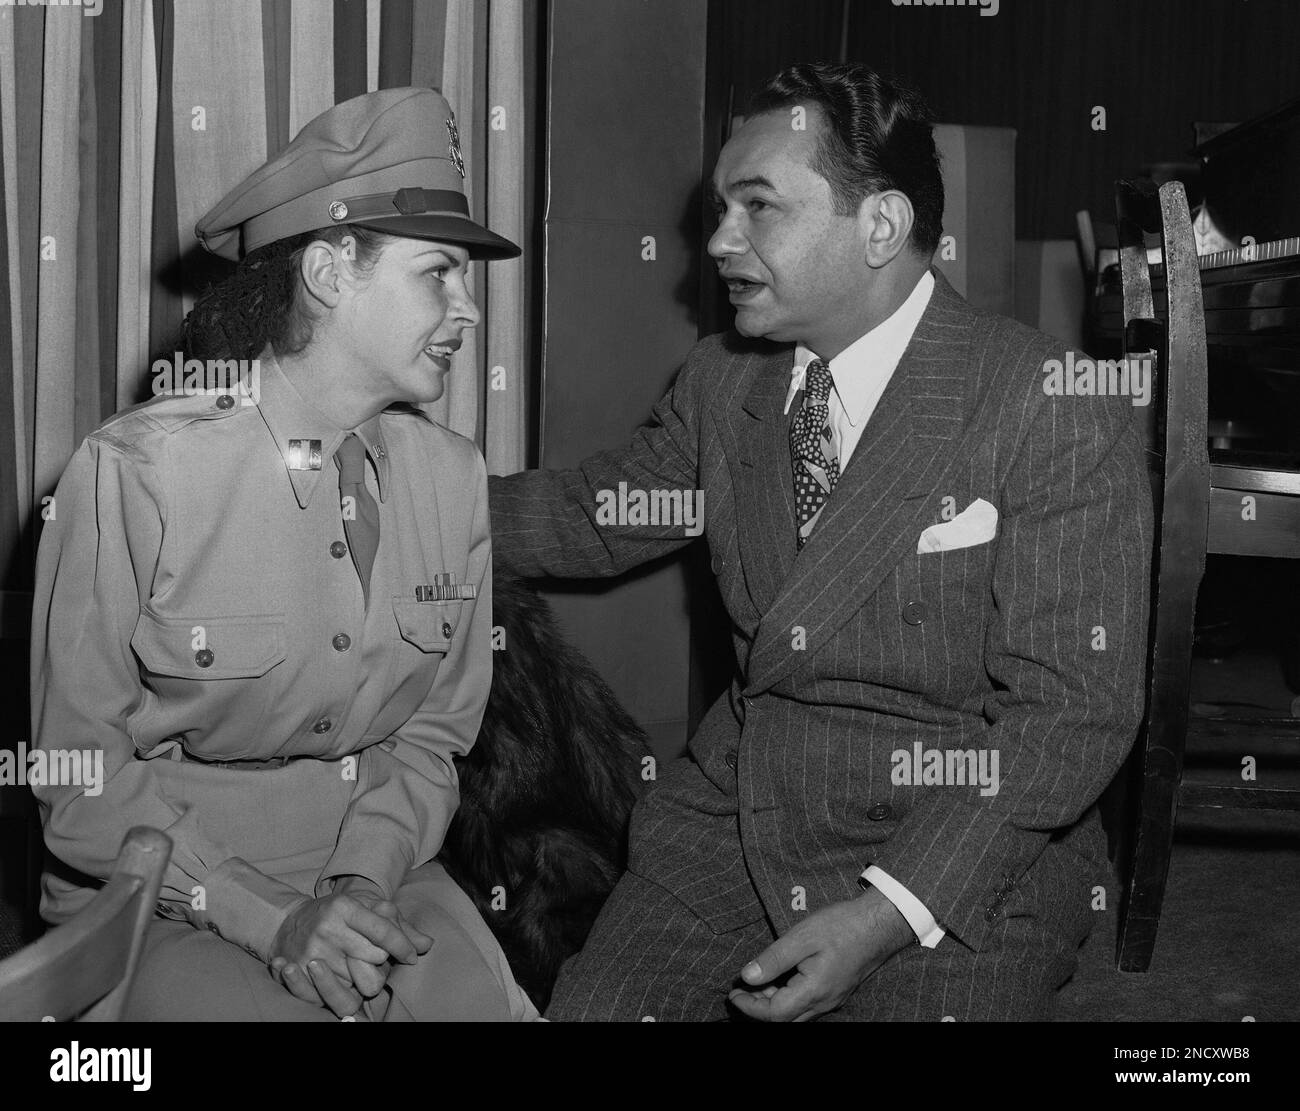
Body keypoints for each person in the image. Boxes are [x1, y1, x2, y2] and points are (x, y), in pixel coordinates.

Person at [487, 63, 1154, 1021]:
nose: (717, 241)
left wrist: (885, 913)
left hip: (962, 851)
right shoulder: (726, 383)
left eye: (759, 208)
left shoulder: (1046, 401)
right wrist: (390, 494)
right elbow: (596, 513)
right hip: (738, 823)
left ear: (879, 225)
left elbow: (1071, 713)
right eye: (721, 208)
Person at [30, 87, 540, 1021]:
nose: (468, 309)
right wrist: (265, 915)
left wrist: (360, 876)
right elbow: (80, 779)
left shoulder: (451, 478)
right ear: (332, 270)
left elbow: (433, 736)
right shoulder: (131, 472)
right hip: (162, 885)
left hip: (376, 863)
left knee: (467, 1004)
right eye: (439, 273)